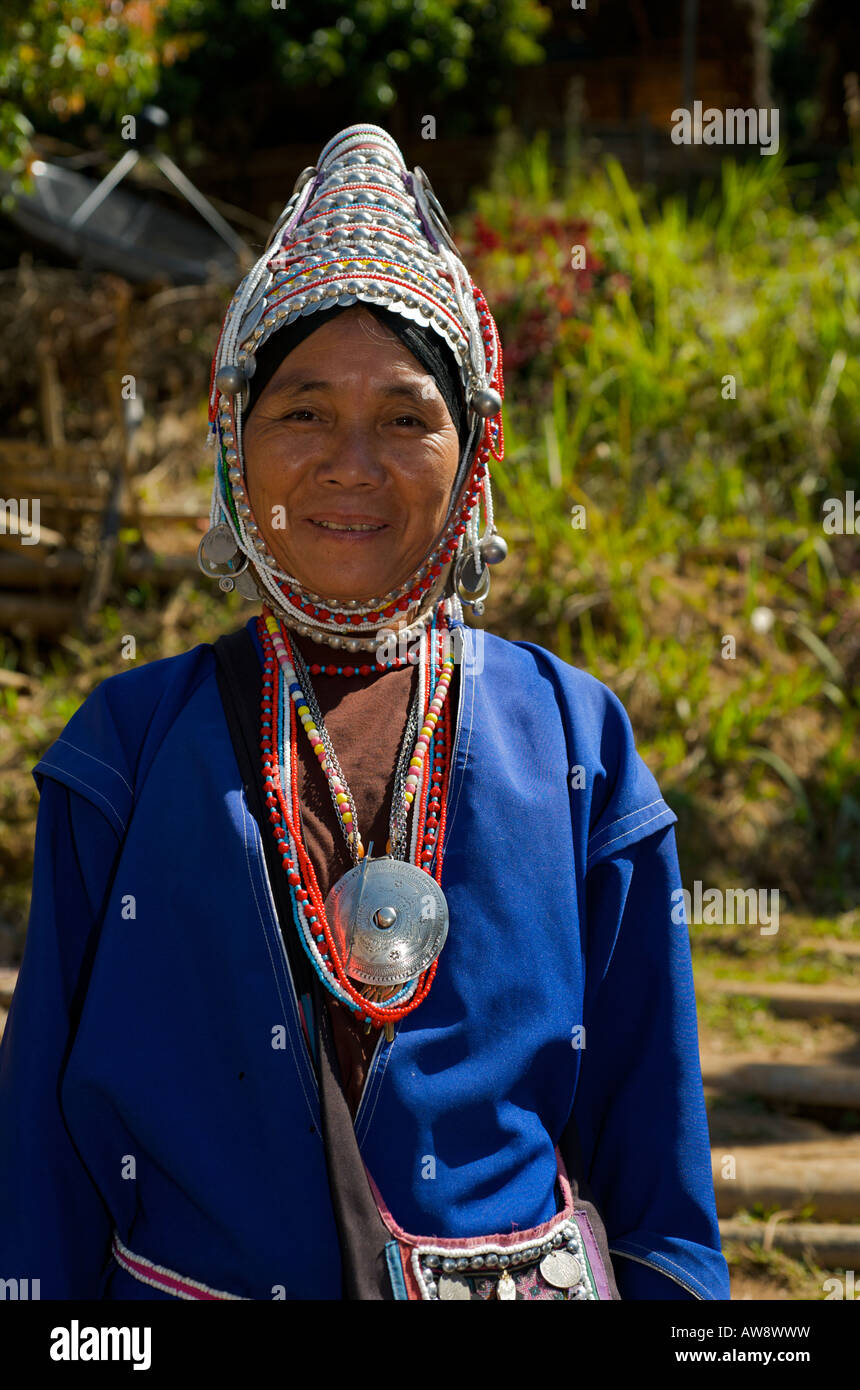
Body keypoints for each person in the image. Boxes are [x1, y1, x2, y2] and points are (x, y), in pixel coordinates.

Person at [0, 123, 730, 1301]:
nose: (351, 462)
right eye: (300, 412)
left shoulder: (578, 745)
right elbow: (37, 1181)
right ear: (234, 445)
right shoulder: (124, 752)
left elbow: (660, 1194)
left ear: (471, 455)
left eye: (404, 417)